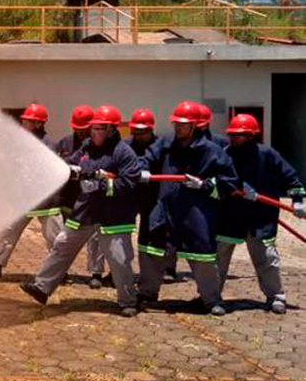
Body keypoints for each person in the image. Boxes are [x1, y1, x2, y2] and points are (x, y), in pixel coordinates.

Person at [20, 105, 142, 317]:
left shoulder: (124, 153)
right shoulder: (87, 147)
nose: (93, 132)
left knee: (119, 259)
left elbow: (130, 183)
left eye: (99, 128)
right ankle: (42, 287)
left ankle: (128, 300)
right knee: (62, 245)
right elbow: (73, 162)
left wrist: (102, 185)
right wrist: (70, 168)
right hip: (85, 211)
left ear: (112, 129)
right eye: (92, 128)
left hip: (113, 216)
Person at [137, 101, 239, 316]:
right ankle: (147, 292)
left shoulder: (211, 151)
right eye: (176, 124)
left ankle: (211, 300)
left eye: (183, 125)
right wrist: (143, 170)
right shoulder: (166, 143)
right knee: (153, 251)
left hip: (196, 212)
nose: (178, 128)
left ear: (195, 126)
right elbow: (146, 159)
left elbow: (229, 180)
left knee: (202, 256)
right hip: (165, 207)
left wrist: (206, 184)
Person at [216, 113, 305, 314]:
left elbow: (290, 177)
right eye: (233, 134)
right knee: (218, 257)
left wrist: (298, 201)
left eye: (240, 135)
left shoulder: (267, 155)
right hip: (230, 216)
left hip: (260, 217)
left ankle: (276, 297)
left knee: (267, 258)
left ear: (251, 136)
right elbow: (216, 179)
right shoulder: (225, 154)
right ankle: (212, 298)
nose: (235, 138)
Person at [0, 104, 63, 278]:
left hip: (47, 201)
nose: (23, 124)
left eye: (28, 122)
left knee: (53, 239)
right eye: (24, 120)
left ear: (39, 124)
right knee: (8, 230)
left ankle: (59, 273)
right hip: (26, 200)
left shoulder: (48, 144)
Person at [55, 105, 106, 288]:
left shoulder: (98, 145)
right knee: (65, 238)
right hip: (69, 199)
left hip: (91, 199)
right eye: (77, 128)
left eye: (84, 129)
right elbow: (62, 163)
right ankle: (61, 272)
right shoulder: (64, 143)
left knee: (95, 238)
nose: (81, 132)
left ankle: (96, 273)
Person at [125, 108, 164, 279]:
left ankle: (165, 270)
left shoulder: (161, 146)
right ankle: (120, 271)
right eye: (136, 131)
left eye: (143, 132)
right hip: (130, 195)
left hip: (153, 196)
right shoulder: (125, 146)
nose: (139, 135)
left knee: (154, 234)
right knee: (122, 233)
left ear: (151, 130)